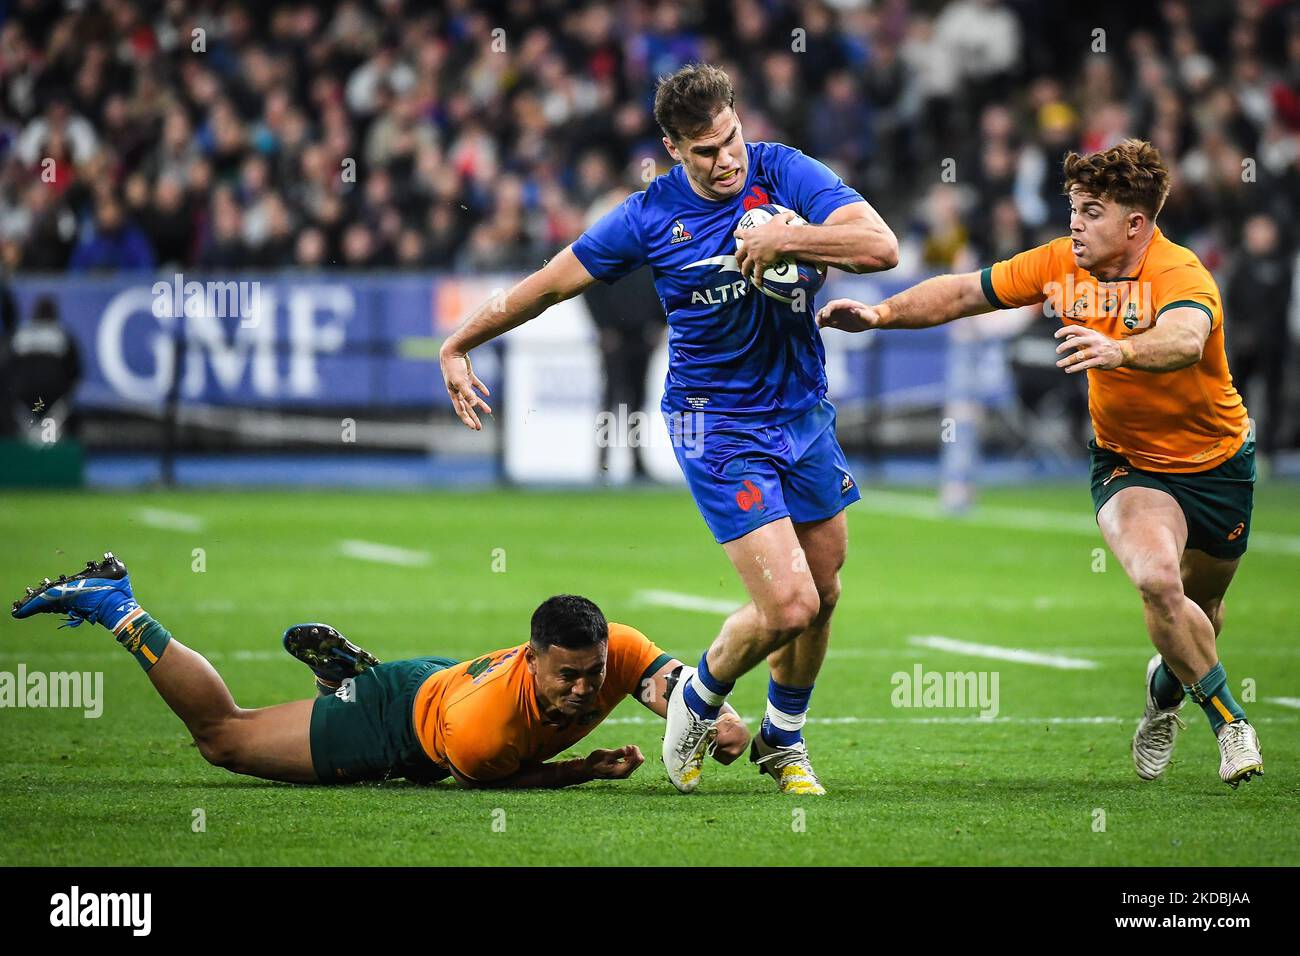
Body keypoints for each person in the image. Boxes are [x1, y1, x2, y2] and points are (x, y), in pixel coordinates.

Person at [439, 64, 898, 795]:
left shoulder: (784, 172)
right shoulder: (648, 217)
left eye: (730, 139)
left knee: (827, 586)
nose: (726, 161)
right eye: (704, 151)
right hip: (716, 424)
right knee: (791, 603)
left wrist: (792, 238)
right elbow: (547, 286)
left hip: (803, 410)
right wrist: (458, 344)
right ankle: (697, 695)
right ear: (671, 148)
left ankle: (783, 737)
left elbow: (881, 247)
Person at [817, 139, 1262, 787]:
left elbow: (1187, 338)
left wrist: (1120, 352)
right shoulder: (1059, 264)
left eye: (1090, 212)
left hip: (1218, 463)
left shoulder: (1181, 274)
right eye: (1073, 209)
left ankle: (1165, 694)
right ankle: (1231, 723)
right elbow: (965, 293)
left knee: (1204, 612)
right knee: (1159, 581)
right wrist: (881, 312)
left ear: (1135, 225)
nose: (1073, 224)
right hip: (1128, 462)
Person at [11, 554, 750, 788]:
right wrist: (583, 768)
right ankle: (119, 608)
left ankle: (347, 678)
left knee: (403, 699)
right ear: (531, 659)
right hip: (406, 725)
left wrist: (711, 714)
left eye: (592, 674)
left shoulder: (607, 647)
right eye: (568, 677)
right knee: (222, 739)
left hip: (439, 680)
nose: (587, 689)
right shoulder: (490, 730)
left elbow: (666, 683)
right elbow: (493, 778)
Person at [8, 295, 82, 437]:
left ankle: (25, 437)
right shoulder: (62, 334)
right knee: (47, 410)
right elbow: (76, 372)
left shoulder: (19, 335)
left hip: (26, 400)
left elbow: (7, 370)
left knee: (32, 411)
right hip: (50, 400)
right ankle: (56, 443)